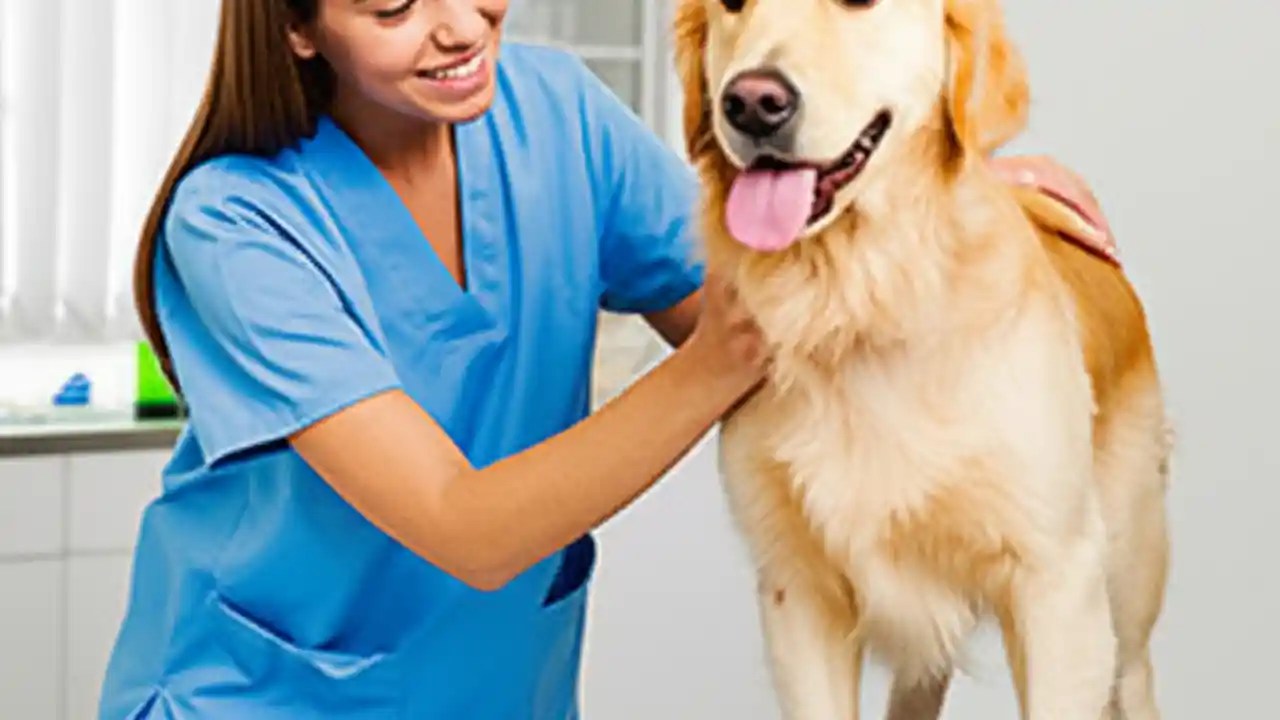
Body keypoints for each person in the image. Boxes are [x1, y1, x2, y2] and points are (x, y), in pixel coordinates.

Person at [98, 1, 1117, 717]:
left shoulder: (553, 110)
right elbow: (467, 529)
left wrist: (941, 186)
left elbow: (787, 308)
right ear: (295, 26)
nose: (457, 25)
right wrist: (712, 362)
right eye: (393, 5)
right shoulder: (237, 222)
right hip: (261, 701)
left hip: (500, 695)